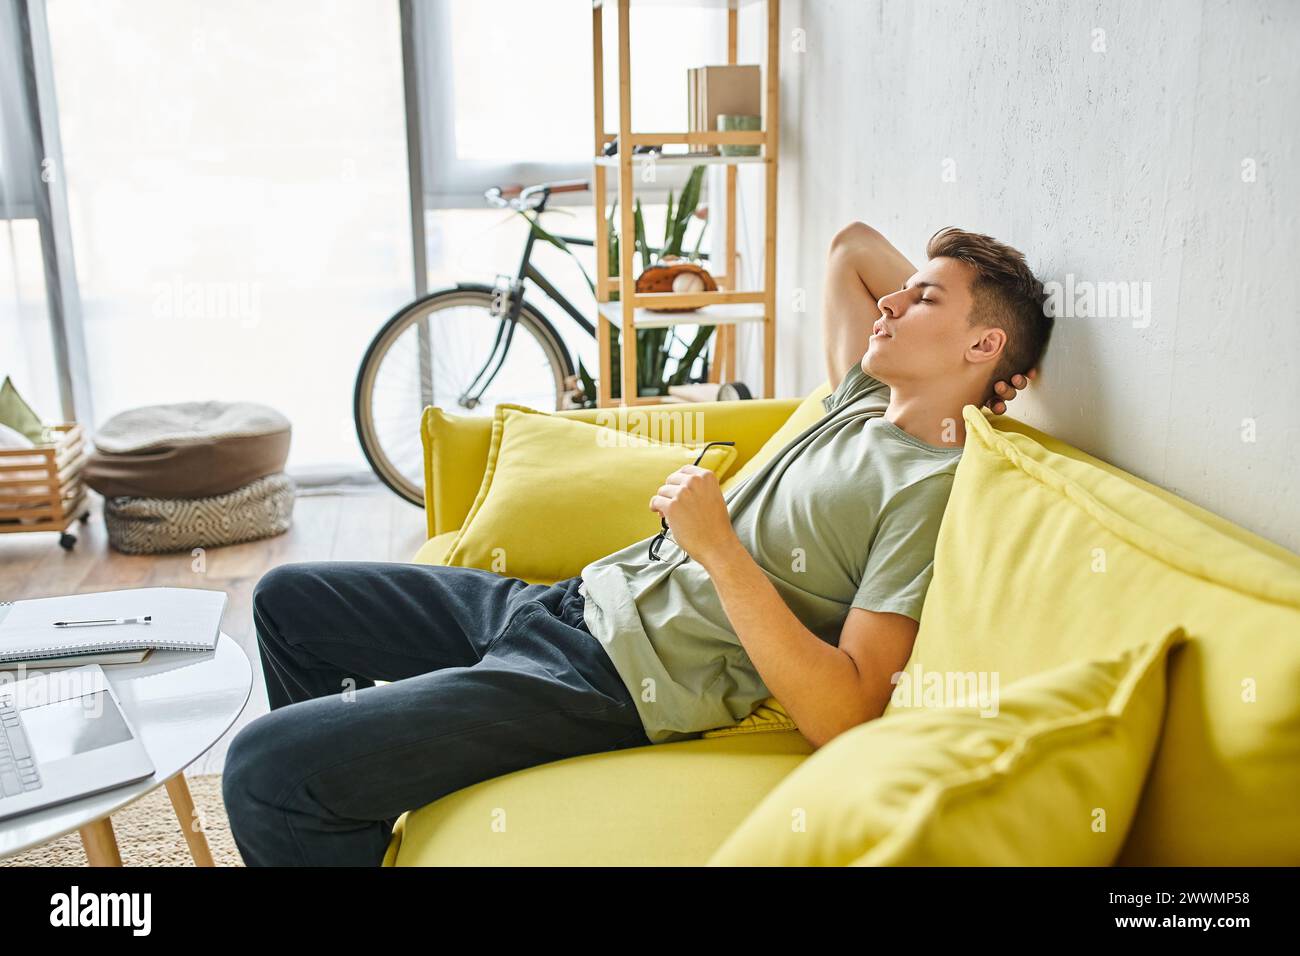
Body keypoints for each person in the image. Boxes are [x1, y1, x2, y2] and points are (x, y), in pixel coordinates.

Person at [222, 222, 1052, 866]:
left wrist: (718, 549)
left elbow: (847, 712)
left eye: (923, 301)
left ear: (982, 345)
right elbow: (850, 248)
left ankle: (323, 793)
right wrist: (961, 337)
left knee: (265, 770)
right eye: (902, 294)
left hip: (606, 678)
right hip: (561, 603)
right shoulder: (863, 401)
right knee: (286, 602)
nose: (890, 303)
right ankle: (353, 802)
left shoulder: (926, 487)